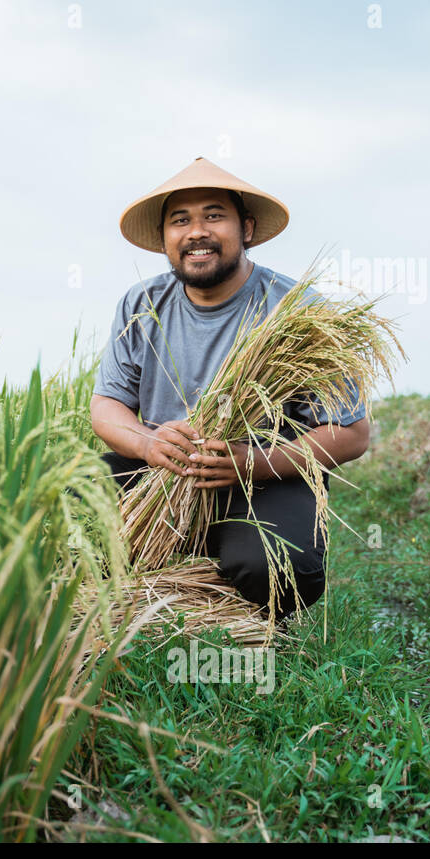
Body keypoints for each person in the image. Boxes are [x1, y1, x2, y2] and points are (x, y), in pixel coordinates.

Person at [91, 157, 370, 619]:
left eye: (213, 215)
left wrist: (253, 464)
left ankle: (238, 614)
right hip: (163, 469)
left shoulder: (298, 311)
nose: (196, 231)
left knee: (278, 567)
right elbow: (107, 408)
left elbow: (352, 433)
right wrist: (148, 442)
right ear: (164, 238)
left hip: (262, 475)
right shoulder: (142, 304)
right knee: (63, 513)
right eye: (180, 220)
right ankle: (159, 589)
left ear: (247, 228)